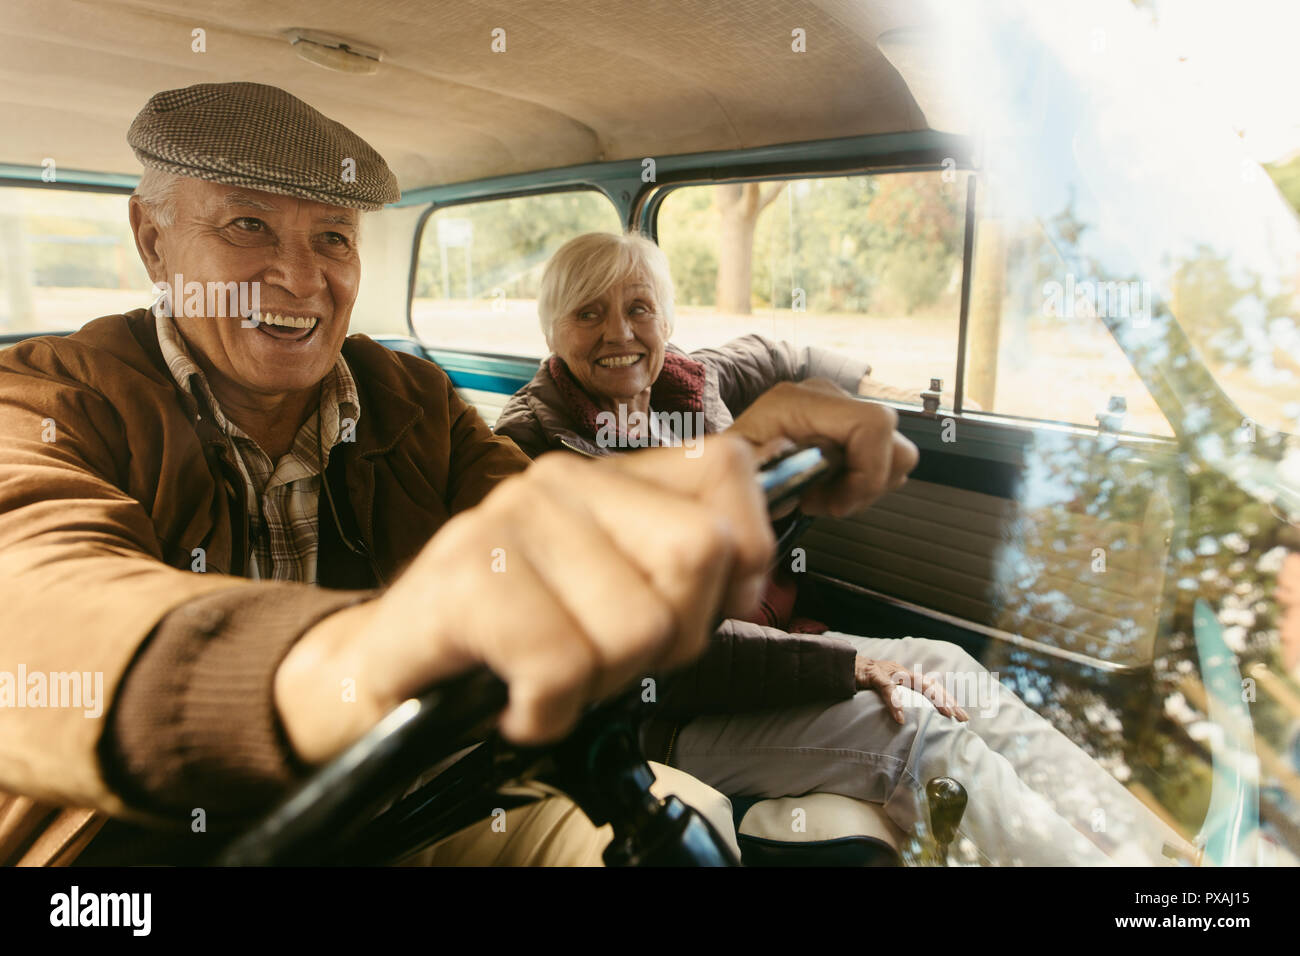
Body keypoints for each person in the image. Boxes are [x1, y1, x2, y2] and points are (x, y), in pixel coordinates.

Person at [0, 82, 915, 866]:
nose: (300, 277)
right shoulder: (48, 396)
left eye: (333, 237)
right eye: (249, 225)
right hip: (138, 851)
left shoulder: (411, 398)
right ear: (153, 242)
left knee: (685, 819)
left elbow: (546, 524)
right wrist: (348, 658)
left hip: (413, 794)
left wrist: (727, 464)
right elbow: (36, 610)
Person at [494, 230, 1197, 865]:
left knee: (947, 664)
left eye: (638, 307)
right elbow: (658, 655)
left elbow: (784, 355)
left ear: (666, 321)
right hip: (652, 709)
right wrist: (846, 665)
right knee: (917, 734)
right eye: (588, 312)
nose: (619, 331)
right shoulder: (526, 448)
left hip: (751, 653)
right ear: (553, 331)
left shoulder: (690, 385)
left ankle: (1162, 862)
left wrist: (877, 392)